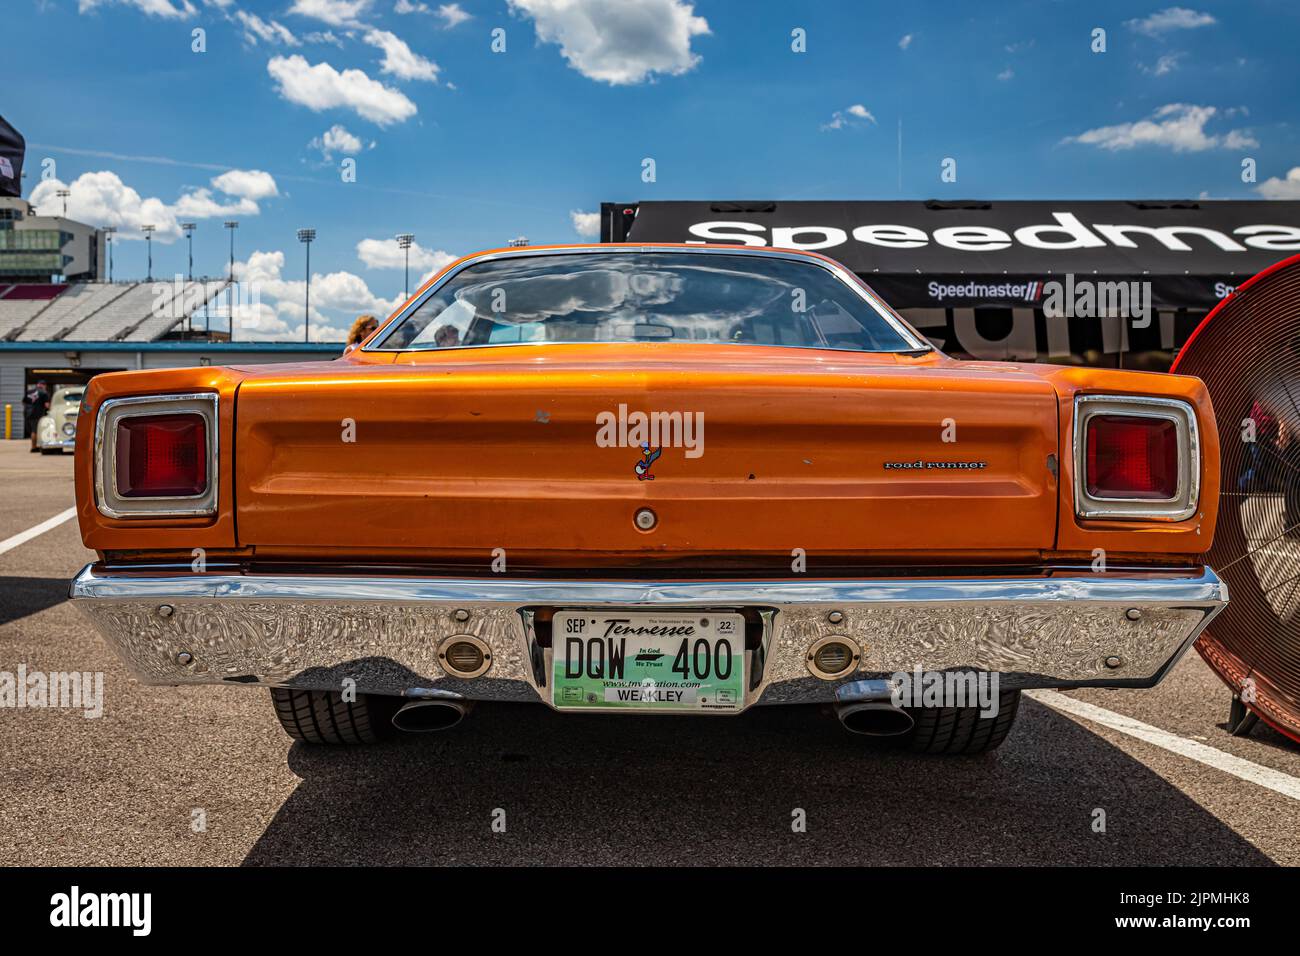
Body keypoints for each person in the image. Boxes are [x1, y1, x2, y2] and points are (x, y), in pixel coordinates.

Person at [23, 379, 49, 452]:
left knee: (32, 430)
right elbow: (47, 405)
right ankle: (34, 447)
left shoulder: (29, 392)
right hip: (38, 414)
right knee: (36, 431)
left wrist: (29, 408)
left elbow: (23, 402)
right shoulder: (44, 392)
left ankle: (35, 446)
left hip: (28, 414)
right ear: (44, 385)